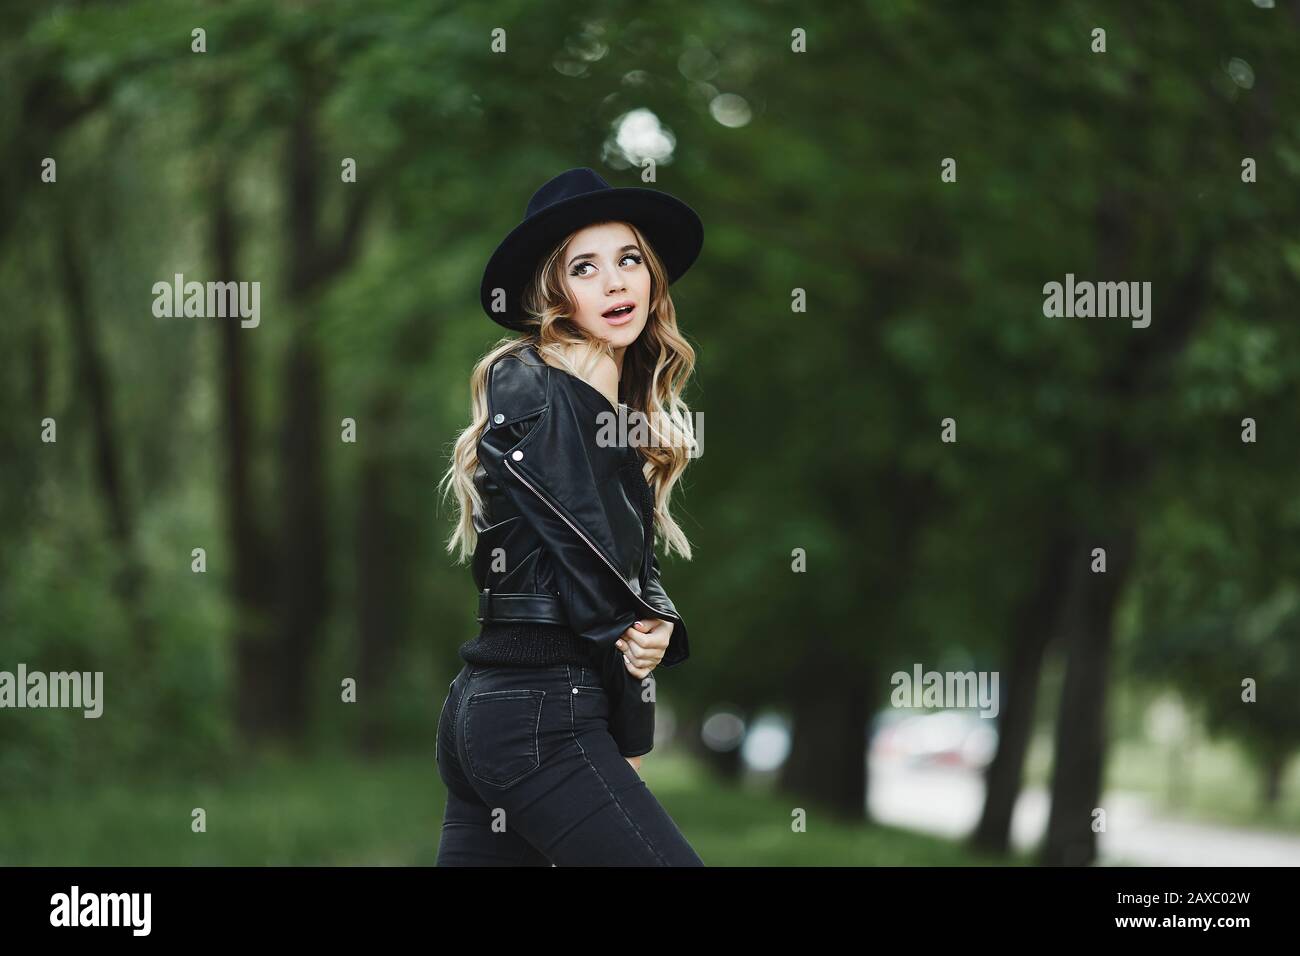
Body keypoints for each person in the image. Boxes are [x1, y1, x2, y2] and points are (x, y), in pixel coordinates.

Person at [435, 167, 706, 866]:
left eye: (629, 260)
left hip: (497, 707)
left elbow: (606, 562)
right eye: (584, 268)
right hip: (534, 712)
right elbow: (595, 562)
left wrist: (647, 633)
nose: (616, 283)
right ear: (552, 295)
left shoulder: (613, 408)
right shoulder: (537, 378)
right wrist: (639, 620)